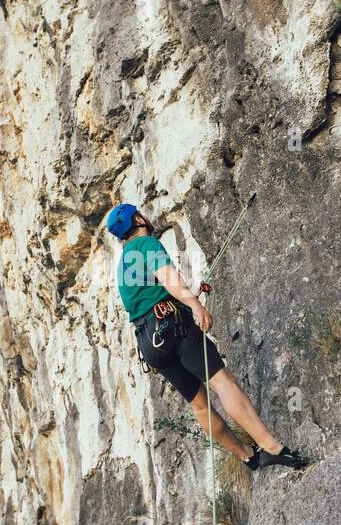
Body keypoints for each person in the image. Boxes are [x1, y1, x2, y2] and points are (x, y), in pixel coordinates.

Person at [106, 202, 308, 472]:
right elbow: (168, 279)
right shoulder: (146, 244)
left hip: (150, 343)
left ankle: (248, 456)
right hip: (172, 325)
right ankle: (273, 449)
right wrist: (195, 305)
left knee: (200, 406)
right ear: (139, 219)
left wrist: (185, 303)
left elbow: (146, 299)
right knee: (223, 382)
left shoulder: (122, 266)